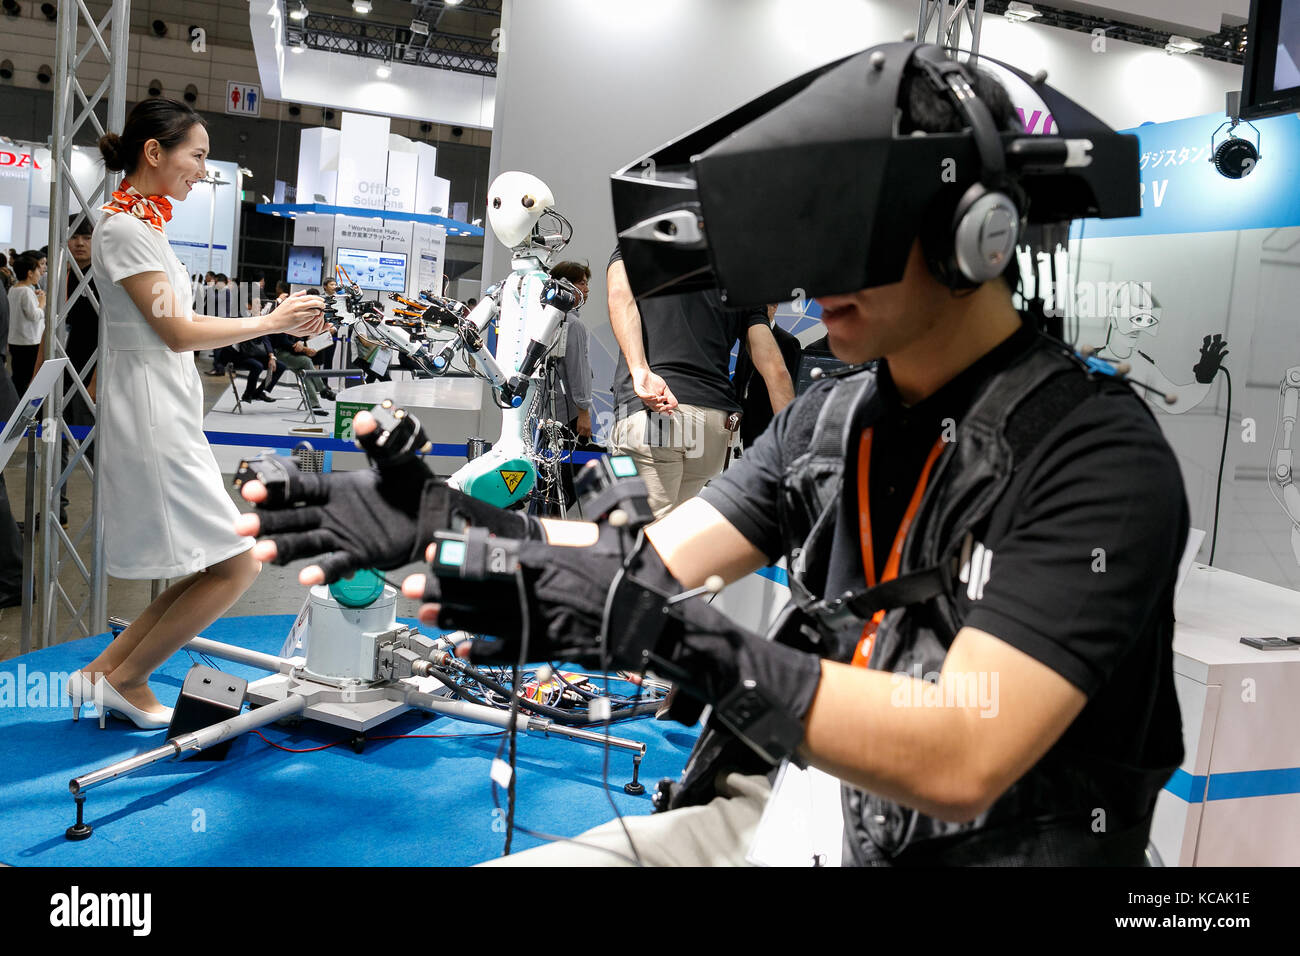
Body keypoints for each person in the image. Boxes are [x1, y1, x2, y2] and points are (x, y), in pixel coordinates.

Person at [232, 44, 1186, 866]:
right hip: (799, 811)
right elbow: (652, 560)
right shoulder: (830, 418)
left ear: (978, 234)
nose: (812, 270)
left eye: (848, 226)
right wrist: (450, 522)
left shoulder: (1097, 456)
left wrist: (691, 643)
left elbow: (964, 755)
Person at [74, 97, 324, 729]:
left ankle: (104, 675)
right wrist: (269, 321)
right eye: (199, 155)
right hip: (153, 417)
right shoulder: (126, 228)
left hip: (165, 410)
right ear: (155, 152)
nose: (204, 170)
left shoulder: (140, 224)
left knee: (214, 561)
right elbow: (177, 331)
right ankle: (126, 679)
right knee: (237, 562)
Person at [607, 247, 794, 518]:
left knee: (636, 538)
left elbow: (619, 294)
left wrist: (639, 370)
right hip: (713, 428)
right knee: (671, 537)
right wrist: (791, 444)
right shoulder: (741, 269)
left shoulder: (644, 237)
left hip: (659, 414)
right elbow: (775, 369)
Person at [732, 304, 802, 451]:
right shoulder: (747, 336)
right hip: (747, 419)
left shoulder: (787, 341)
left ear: (775, 307)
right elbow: (740, 376)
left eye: (765, 307)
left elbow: (790, 384)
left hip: (769, 419)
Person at [7, 253, 46, 394]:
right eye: (38, 269)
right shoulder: (26, 292)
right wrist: (41, 302)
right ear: (30, 273)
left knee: (18, 376)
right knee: (28, 379)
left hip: (16, 340)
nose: (40, 273)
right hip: (29, 342)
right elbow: (35, 316)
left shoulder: (14, 289)